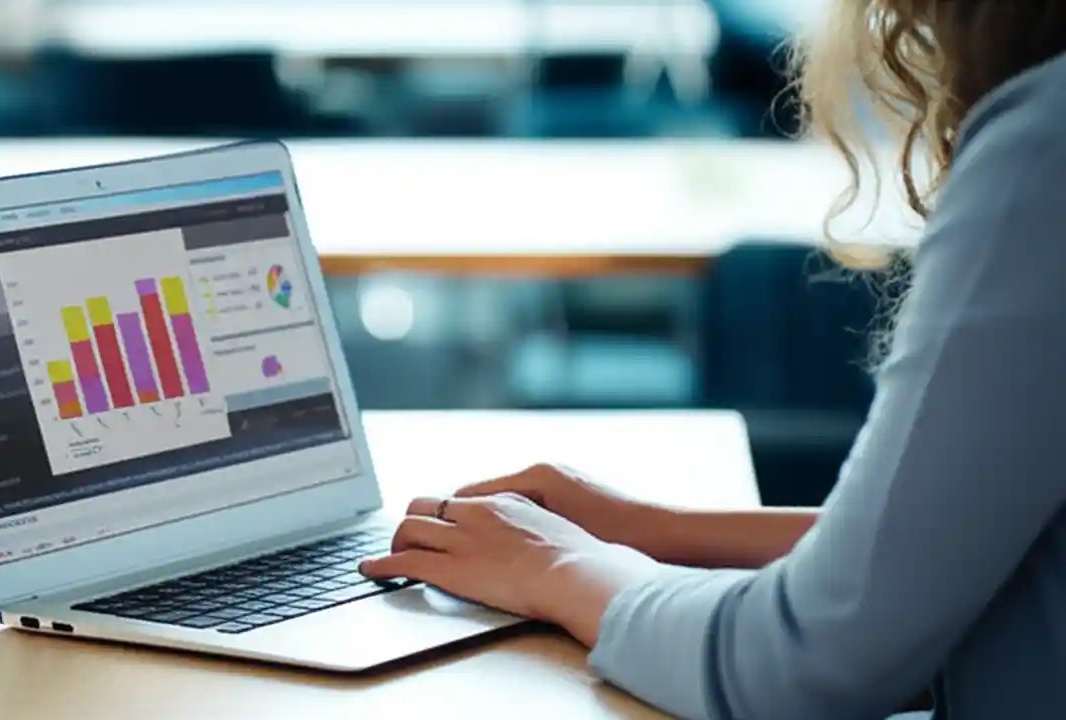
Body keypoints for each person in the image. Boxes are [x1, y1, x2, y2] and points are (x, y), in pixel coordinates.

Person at [359, 2, 1066, 718]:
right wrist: (657, 530)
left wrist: (557, 565)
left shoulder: (1045, 151)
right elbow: (940, 552)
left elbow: (802, 663)